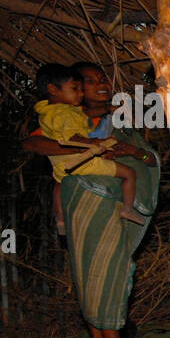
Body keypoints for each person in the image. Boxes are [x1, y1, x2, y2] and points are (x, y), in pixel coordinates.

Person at [23, 62, 160, 338]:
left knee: (99, 272)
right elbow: (31, 143)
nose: (99, 85)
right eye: (87, 81)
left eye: (102, 79)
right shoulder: (67, 119)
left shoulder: (119, 122)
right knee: (99, 273)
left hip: (106, 198)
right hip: (87, 199)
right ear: (74, 88)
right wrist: (84, 147)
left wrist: (127, 150)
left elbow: (148, 158)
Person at [32, 64, 145, 226]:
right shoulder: (66, 115)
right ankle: (128, 208)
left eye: (103, 80)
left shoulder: (51, 112)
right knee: (129, 173)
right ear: (53, 89)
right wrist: (93, 143)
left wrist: (107, 109)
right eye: (75, 88)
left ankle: (61, 219)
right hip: (83, 161)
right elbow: (73, 136)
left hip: (61, 165)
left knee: (60, 183)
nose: (81, 93)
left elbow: (84, 115)